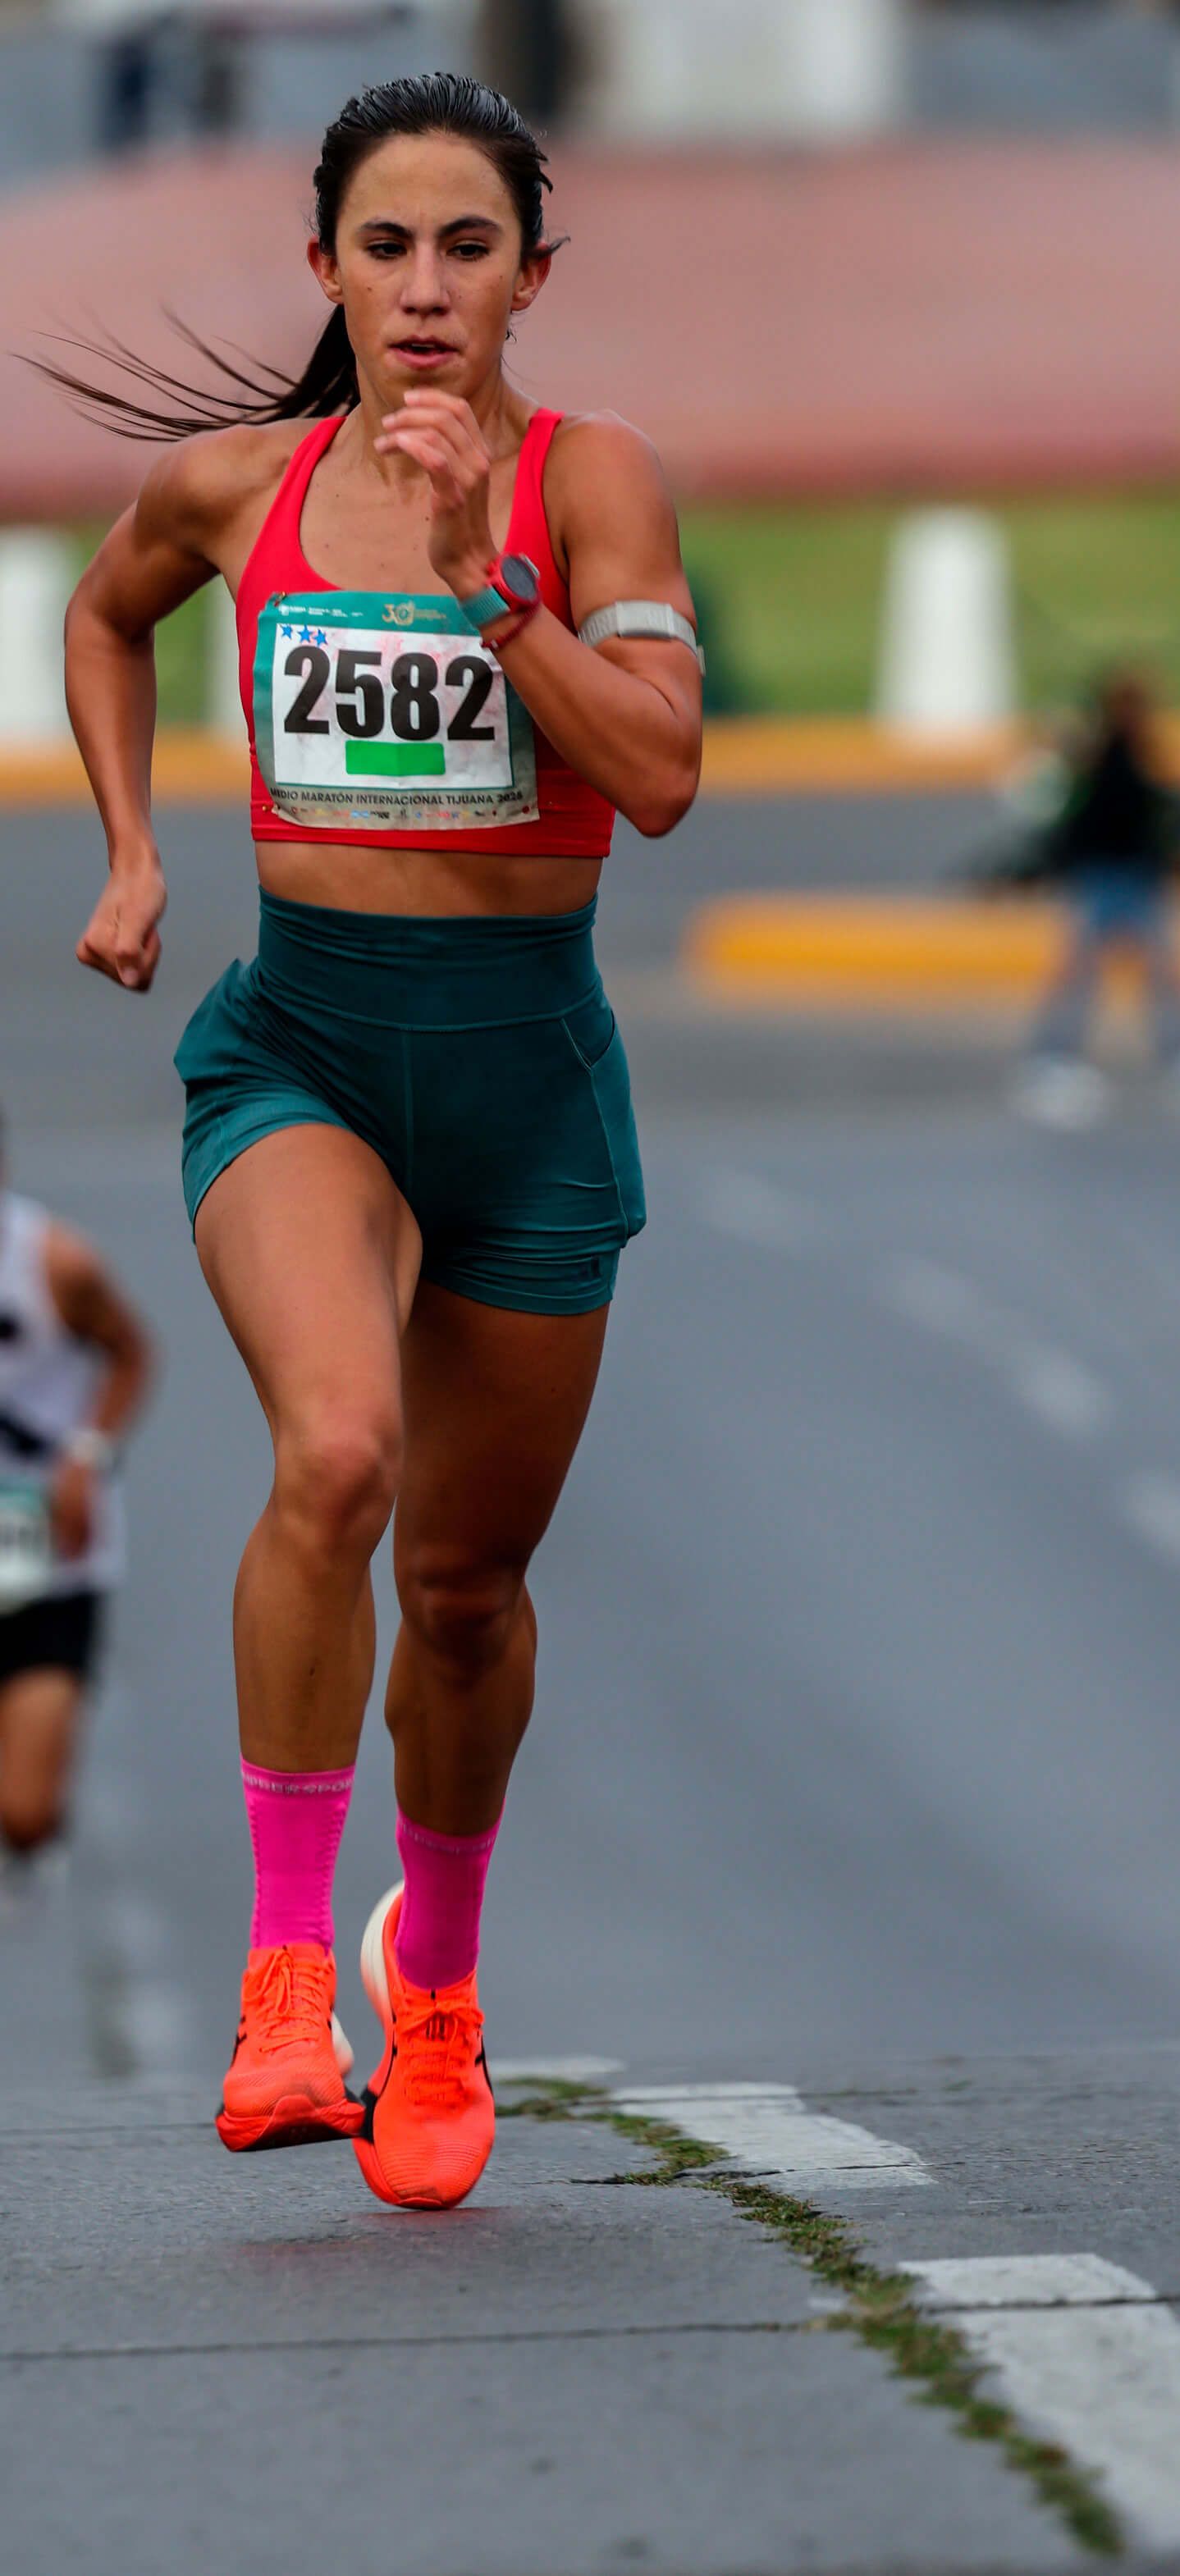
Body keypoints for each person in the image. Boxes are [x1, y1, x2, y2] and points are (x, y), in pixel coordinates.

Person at [54, 73, 702, 2206]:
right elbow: (105, 614)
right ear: (323, 265)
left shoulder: (591, 481)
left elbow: (661, 775)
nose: (425, 286)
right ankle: (279, 1986)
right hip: (304, 1057)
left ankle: (433, 1983)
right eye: (387, 245)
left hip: (527, 1088)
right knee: (334, 1457)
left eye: (468, 247)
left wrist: (484, 585)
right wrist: (135, 849)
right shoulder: (236, 486)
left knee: (466, 1588)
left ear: (532, 274)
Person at [0, 1113, 152, 1874]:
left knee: (26, 1816)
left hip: (49, 1559)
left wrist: (84, 1458)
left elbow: (133, 1352)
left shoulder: (54, 1262)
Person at [1016, 672, 1180, 1128]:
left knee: (1159, 973)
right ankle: (1053, 1058)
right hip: (1104, 877)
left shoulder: (1132, 757)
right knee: (1083, 975)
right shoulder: (1101, 759)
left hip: (1132, 878)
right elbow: (1082, 818)